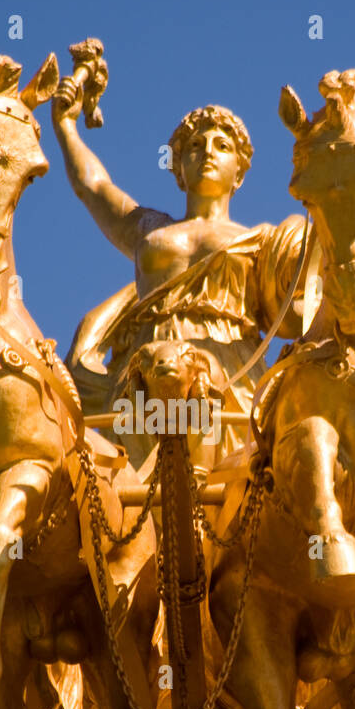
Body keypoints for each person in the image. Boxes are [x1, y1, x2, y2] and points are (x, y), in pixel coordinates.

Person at [53, 81, 309, 469]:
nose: (208, 151)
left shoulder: (263, 241)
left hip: (228, 367)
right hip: (146, 366)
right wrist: (66, 126)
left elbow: (304, 298)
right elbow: (94, 187)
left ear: (239, 173)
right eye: (195, 146)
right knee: (129, 480)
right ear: (177, 170)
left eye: (223, 146)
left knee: (232, 478)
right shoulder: (149, 229)